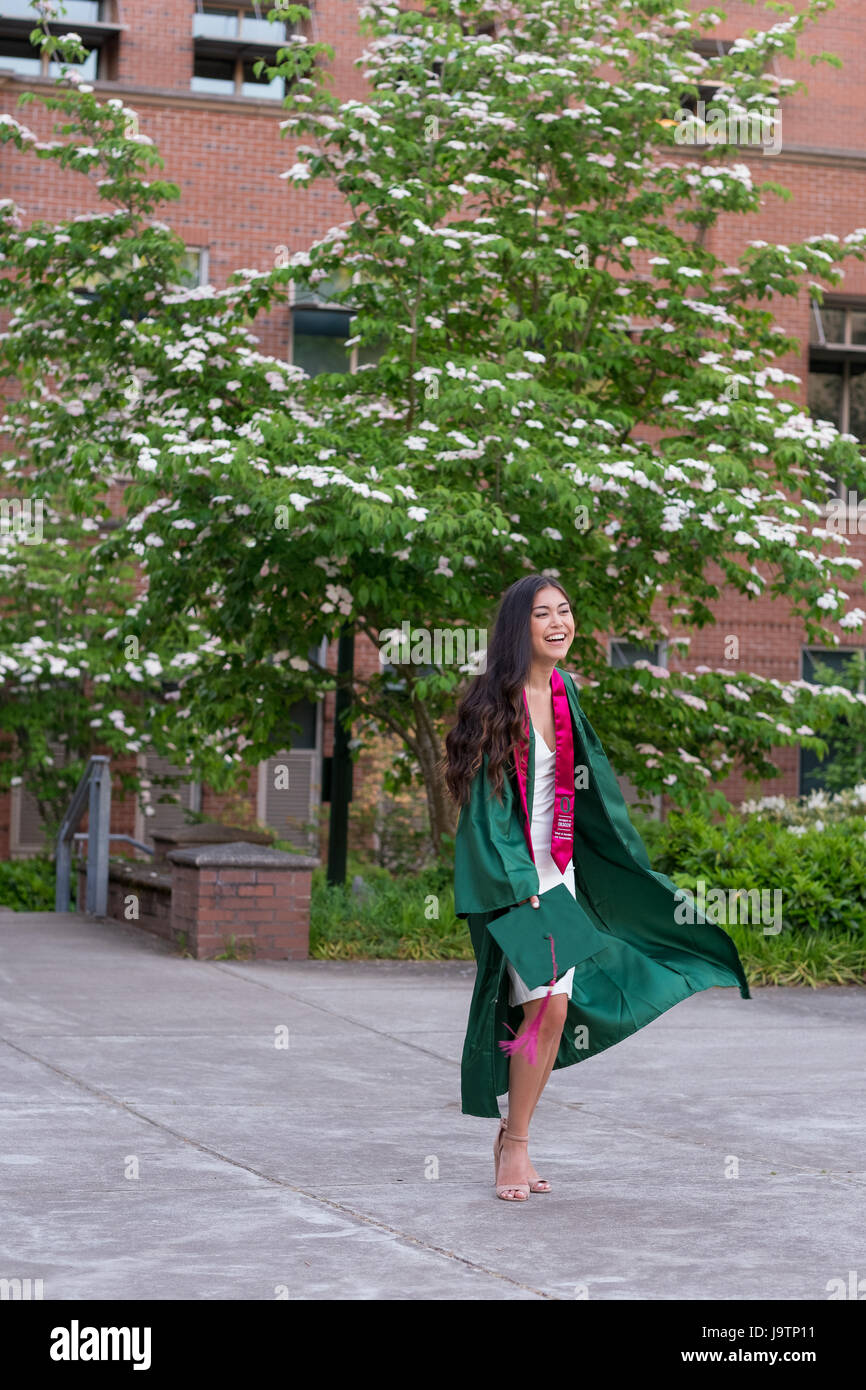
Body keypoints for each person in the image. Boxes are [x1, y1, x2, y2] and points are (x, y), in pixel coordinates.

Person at [442, 575, 750, 1202]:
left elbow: (586, 787)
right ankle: (515, 1145)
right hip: (511, 875)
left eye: (565, 611)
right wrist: (519, 882)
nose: (558, 622)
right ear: (515, 628)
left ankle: (514, 1137)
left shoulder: (564, 691)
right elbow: (484, 805)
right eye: (541, 614)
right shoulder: (489, 702)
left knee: (550, 1010)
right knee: (547, 1007)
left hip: (558, 870)